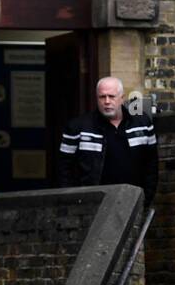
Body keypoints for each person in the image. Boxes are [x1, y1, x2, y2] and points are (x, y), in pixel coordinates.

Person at [55, 76, 159, 207]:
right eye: (102, 97)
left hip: (132, 201)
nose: (107, 101)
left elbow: (151, 165)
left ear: (122, 98)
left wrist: (146, 198)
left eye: (111, 96)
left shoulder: (142, 124)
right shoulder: (77, 128)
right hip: (92, 204)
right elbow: (63, 169)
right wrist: (74, 202)